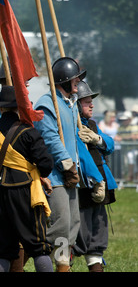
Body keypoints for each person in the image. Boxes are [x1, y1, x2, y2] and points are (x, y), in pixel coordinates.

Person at [0, 85, 54, 272]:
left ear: (1, 108)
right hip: (26, 195)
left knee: (3, 251)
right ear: (20, 107)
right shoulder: (28, 132)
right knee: (39, 247)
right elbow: (46, 165)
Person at [33, 56, 84, 271]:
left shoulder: (70, 106)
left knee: (72, 226)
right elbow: (50, 138)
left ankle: (64, 265)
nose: (78, 83)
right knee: (59, 227)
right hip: (55, 177)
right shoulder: (47, 103)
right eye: (74, 80)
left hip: (70, 175)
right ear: (63, 81)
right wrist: (67, 164)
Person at [73, 81, 117, 272]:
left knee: (98, 238)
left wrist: (97, 138)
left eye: (91, 101)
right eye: (86, 102)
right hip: (82, 187)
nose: (91, 105)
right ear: (76, 105)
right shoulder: (68, 124)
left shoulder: (91, 124)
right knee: (75, 238)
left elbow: (110, 145)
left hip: (100, 186)